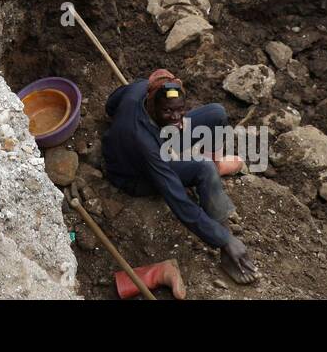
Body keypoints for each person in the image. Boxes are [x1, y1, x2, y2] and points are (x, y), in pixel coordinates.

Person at [102, 68, 259, 285]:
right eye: (168, 111)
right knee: (203, 169)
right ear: (151, 102)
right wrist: (224, 239)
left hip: (161, 138)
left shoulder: (140, 87)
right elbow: (178, 200)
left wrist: (164, 120)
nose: (176, 118)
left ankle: (213, 166)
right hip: (135, 176)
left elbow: (110, 105)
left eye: (180, 110)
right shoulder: (143, 142)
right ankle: (226, 242)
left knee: (216, 113)